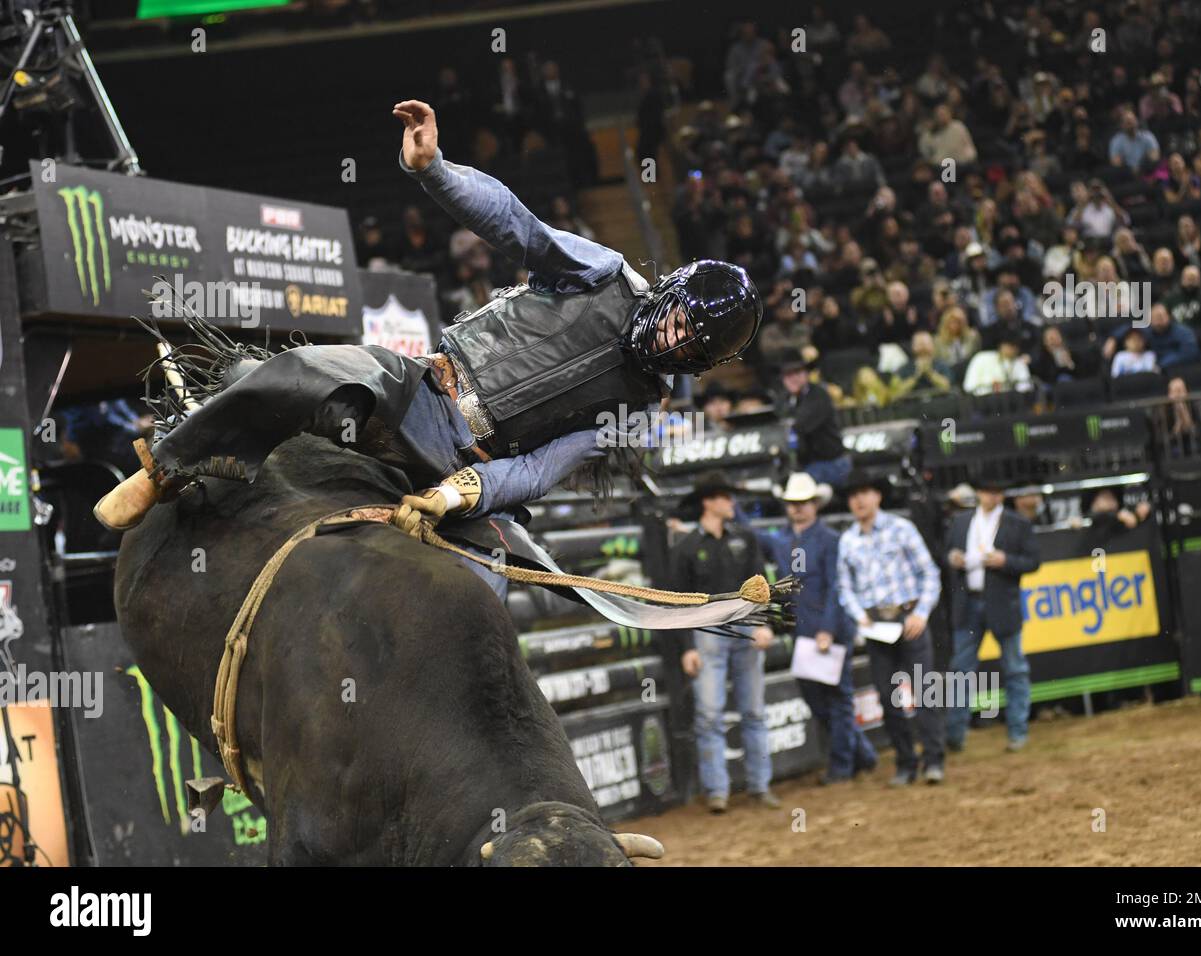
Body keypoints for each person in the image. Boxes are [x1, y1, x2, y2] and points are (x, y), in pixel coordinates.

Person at [95, 100, 765, 578]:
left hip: (468, 466)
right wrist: (435, 170)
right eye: (680, 324)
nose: (676, 344)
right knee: (298, 370)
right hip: (419, 389)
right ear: (672, 293)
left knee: (484, 590)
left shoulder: (639, 412)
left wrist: (461, 493)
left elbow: (538, 470)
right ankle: (167, 468)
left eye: (692, 349)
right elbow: (517, 227)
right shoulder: (605, 274)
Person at [670, 471, 779, 813]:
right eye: (726, 497)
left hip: (743, 629)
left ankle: (757, 785)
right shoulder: (687, 547)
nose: (732, 503)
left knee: (751, 711)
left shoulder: (744, 539)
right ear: (710, 502)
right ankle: (719, 790)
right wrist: (687, 646)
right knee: (710, 715)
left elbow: (762, 587)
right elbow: (678, 601)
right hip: (706, 633)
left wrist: (764, 624)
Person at [836, 470, 944, 786]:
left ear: (877, 496)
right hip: (876, 626)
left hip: (909, 619)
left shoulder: (901, 528)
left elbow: (930, 573)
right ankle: (906, 762)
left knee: (923, 691)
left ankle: (934, 759)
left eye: (864, 493)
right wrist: (860, 616)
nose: (858, 500)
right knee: (886, 695)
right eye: (853, 495)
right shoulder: (848, 540)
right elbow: (844, 588)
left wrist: (921, 614)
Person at [770, 473, 878, 785]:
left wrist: (828, 629)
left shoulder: (830, 541)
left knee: (836, 698)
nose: (797, 508)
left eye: (802, 503)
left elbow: (837, 587)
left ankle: (843, 766)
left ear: (814, 504)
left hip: (826, 630)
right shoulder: (785, 540)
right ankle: (862, 755)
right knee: (820, 699)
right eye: (793, 503)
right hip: (805, 631)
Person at [944, 474, 1041, 753]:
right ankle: (955, 734)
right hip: (969, 603)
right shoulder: (961, 522)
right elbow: (946, 553)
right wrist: (953, 559)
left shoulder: (1017, 523)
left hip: (1000, 603)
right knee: (962, 669)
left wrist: (1005, 561)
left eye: (997, 491)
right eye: (988, 491)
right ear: (979, 493)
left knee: (1014, 668)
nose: (993, 496)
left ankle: (1018, 732)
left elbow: (1033, 561)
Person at [777, 350, 851, 489]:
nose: (793, 379)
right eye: (788, 375)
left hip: (831, 463)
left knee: (799, 486)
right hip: (807, 464)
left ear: (806, 374)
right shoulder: (784, 400)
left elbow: (801, 424)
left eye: (797, 373)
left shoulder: (818, 395)